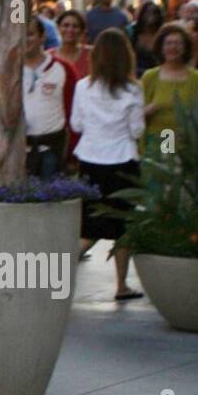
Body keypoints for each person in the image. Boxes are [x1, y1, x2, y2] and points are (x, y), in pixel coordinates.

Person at [71, 29, 145, 301]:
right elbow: (137, 130)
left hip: (90, 160)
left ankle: (54, 274)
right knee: (122, 227)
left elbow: (76, 124)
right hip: (123, 161)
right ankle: (121, 285)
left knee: (90, 226)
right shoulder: (134, 89)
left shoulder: (83, 87)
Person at [23, 16, 75, 178]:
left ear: (42, 36)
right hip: (18, 152)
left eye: (30, 34)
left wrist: (71, 155)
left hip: (51, 150)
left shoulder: (63, 69)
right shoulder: (9, 70)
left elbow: (72, 114)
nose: (25, 39)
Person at [141, 23, 198, 155]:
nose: (173, 47)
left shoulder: (197, 79)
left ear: (185, 48)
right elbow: (136, 115)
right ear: (161, 48)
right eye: (168, 43)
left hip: (188, 146)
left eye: (178, 43)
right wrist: (149, 109)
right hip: (158, 142)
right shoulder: (150, 77)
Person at [128, 0, 164, 78]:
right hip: (132, 73)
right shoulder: (132, 31)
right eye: (147, 12)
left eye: (154, 13)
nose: (151, 16)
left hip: (154, 75)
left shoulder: (162, 34)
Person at [52, 8, 91, 80]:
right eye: (66, 25)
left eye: (75, 26)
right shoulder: (48, 57)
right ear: (58, 28)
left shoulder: (91, 54)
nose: (70, 30)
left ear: (82, 30)